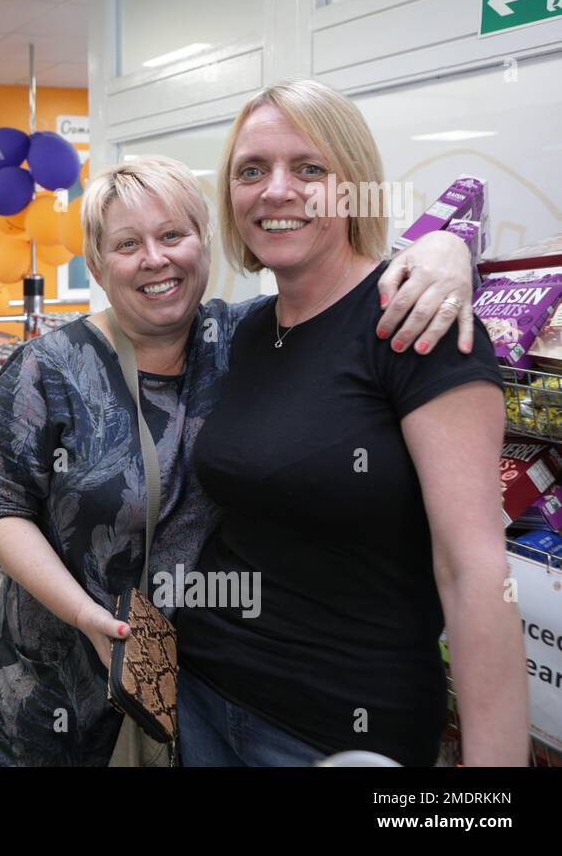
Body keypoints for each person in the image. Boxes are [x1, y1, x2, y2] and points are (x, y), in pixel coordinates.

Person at [0, 150, 478, 767]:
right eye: (128, 244)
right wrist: (86, 616)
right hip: (54, 686)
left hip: (194, 692)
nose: (156, 259)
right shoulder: (47, 371)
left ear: (204, 244)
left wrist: (447, 251)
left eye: (174, 235)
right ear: (98, 266)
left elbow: (344, 295)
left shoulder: (247, 340)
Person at [174, 79, 527, 767]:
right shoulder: (246, 332)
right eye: (251, 170)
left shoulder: (413, 323)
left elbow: (474, 572)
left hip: (337, 735)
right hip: (205, 694)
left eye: (310, 167)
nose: (277, 190)